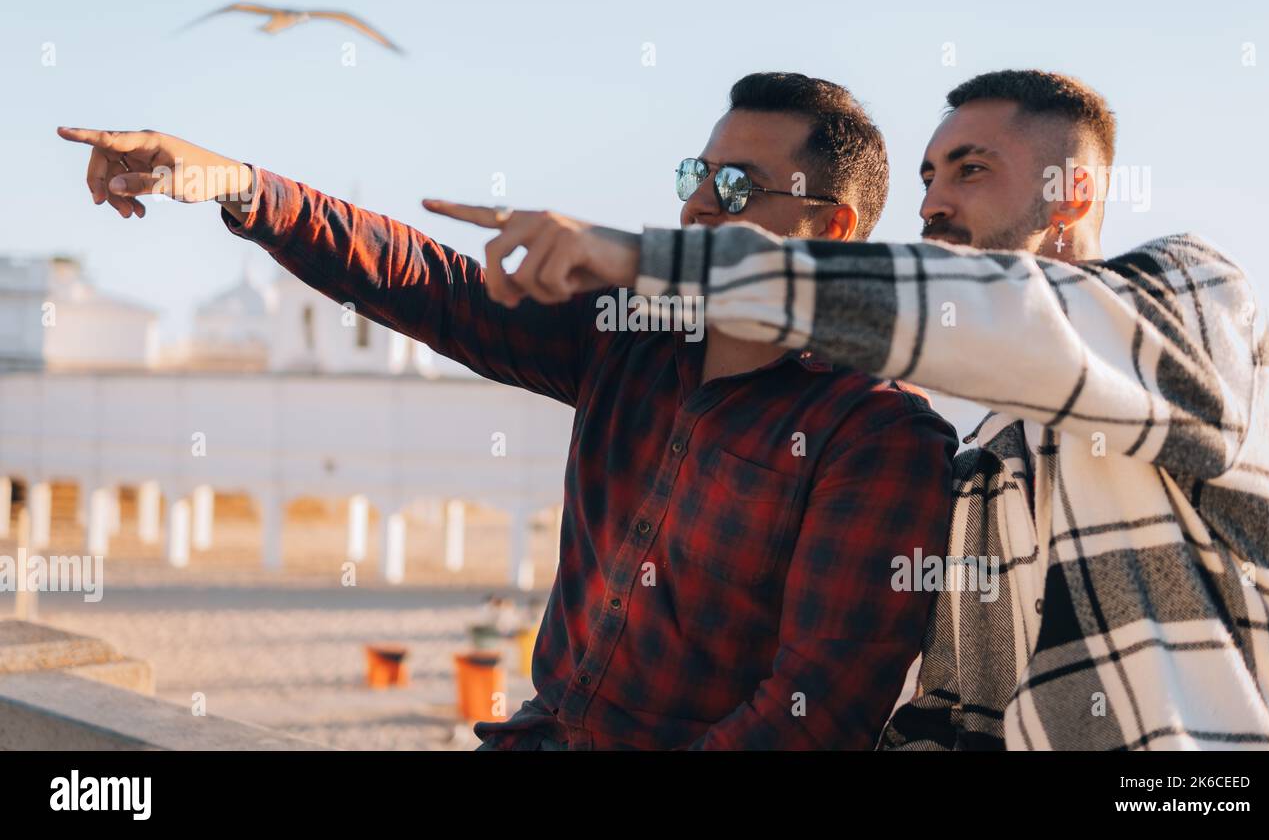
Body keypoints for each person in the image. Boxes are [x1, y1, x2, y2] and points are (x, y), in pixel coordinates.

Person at [57, 71, 957, 750]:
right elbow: (428, 284)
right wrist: (240, 186)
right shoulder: (629, 341)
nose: (693, 204)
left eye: (735, 187)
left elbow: (816, 709)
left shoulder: (876, 434)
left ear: (831, 227)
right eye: (697, 172)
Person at [426, 69, 1269, 750]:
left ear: (1070, 193)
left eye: (971, 169)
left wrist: (647, 259)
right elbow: (959, 708)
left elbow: (1016, 314)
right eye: (927, 176)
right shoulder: (987, 464)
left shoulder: (1195, 301)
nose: (931, 204)